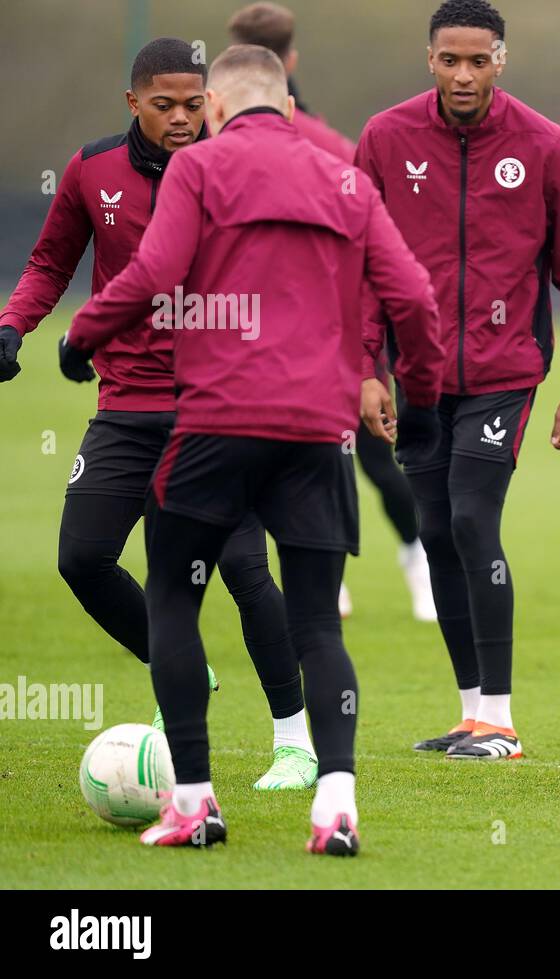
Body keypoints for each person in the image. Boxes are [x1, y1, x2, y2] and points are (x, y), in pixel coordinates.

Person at [63, 44, 444, 852]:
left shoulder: (201, 169)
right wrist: (426, 399)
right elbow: (412, 294)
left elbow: (155, 272)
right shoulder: (345, 177)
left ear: (220, 107)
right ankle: (335, 803)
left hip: (215, 423)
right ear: (289, 106)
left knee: (172, 596)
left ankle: (195, 804)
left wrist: (83, 333)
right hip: (318, 430)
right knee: (319, 626)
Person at [0, 37, 316, 791]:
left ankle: (295, 741)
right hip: (126, 407)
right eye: (164, 105)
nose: (181, 118)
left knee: (243, 566)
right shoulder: (91, 169)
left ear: (212, 101)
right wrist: (15, 324)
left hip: (218, 406)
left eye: (193, 103)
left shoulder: (236, 170)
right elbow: (51, 261)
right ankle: (180, 663)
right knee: (81, 558)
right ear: (133, 102)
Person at [354, 0, 560, 759]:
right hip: (417, 376)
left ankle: (500, 717)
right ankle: (471, 714)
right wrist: (369, 368)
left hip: (505, 372)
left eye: (478, 59)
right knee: (434, 532)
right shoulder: (384, 137)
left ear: (502, 59)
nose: (463, 74)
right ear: (428, 58)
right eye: (449, 59)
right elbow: (358, 265)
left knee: (470, 520)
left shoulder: (546, 145)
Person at [227, 1, 437, 622]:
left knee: (315, 451)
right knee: (358, 454)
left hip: (295, 334)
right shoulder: (336, 144)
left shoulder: (218, 149)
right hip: (327, 330)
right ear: (291, 60)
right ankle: (364, 566)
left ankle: (401, 561)